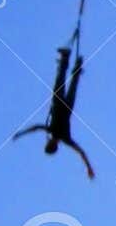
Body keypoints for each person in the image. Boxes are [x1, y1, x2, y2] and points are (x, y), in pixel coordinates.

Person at [12, 45, 95, 178]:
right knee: (65, 82)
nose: (49, 141)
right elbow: (80, 152)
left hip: (63, 105)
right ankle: (69, 60)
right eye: (49, 143)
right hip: (63, 105)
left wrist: (21, 134)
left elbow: (36, 128)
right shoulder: (58, 134)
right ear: (51, 144)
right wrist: (88, 167)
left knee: (66, 83)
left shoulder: (58, 134)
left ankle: (70, 61)